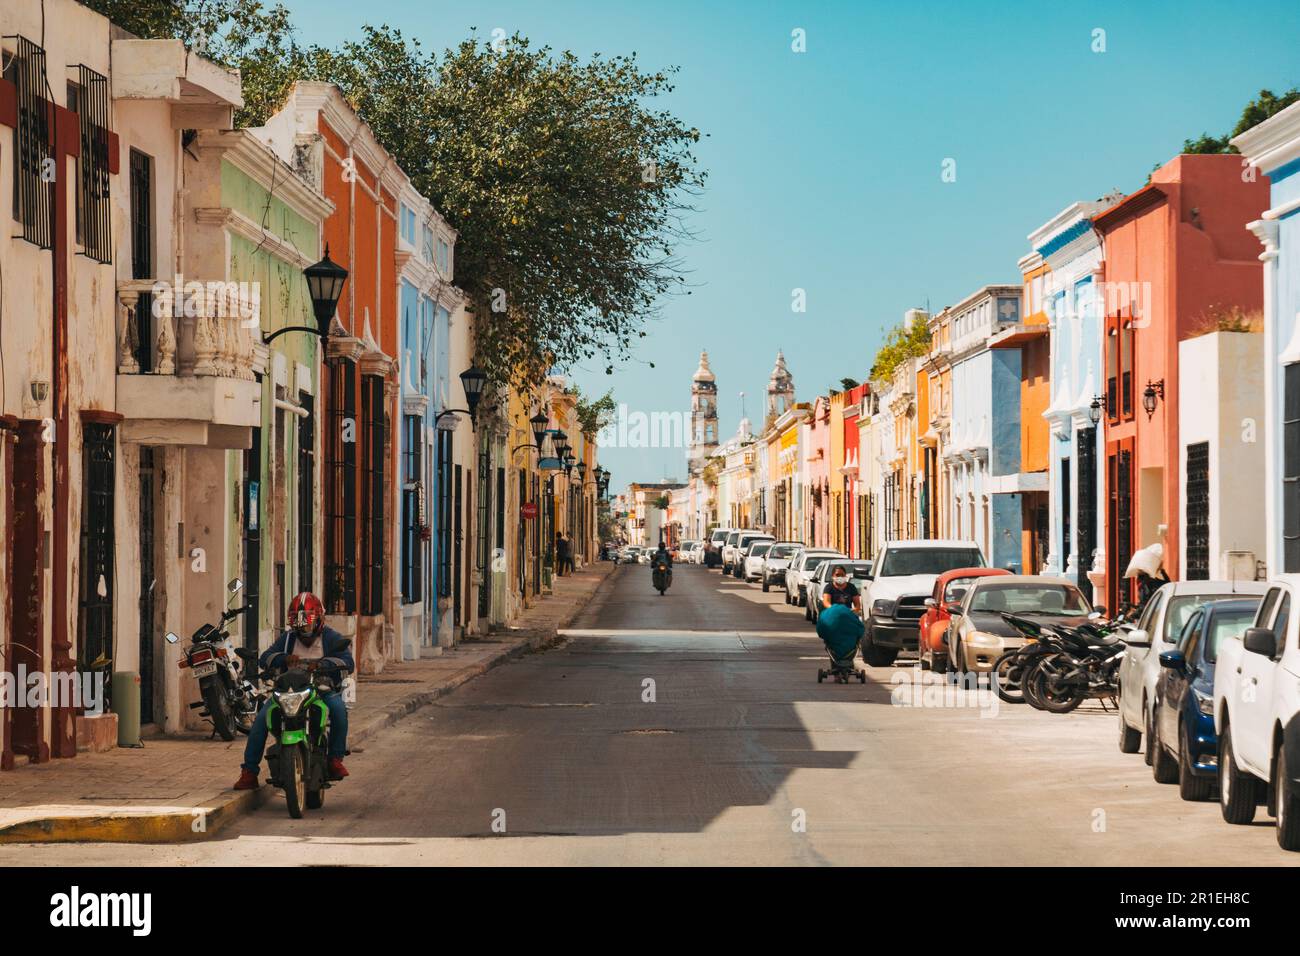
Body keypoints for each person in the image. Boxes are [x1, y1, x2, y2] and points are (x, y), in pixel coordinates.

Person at [233, 592, 354, 790]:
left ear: (319, 620)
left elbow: (348, 662)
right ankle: (249, 771)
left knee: (339, 710)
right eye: (298, 624)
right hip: (288, 691)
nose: (303, 628)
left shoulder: (331, 637)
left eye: (307, 623)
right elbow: (266, 657)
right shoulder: (288, 639)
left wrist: (322, 664)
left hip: (320, 690)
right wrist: (284, 658)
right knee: (261, 720)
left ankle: (335, 759)